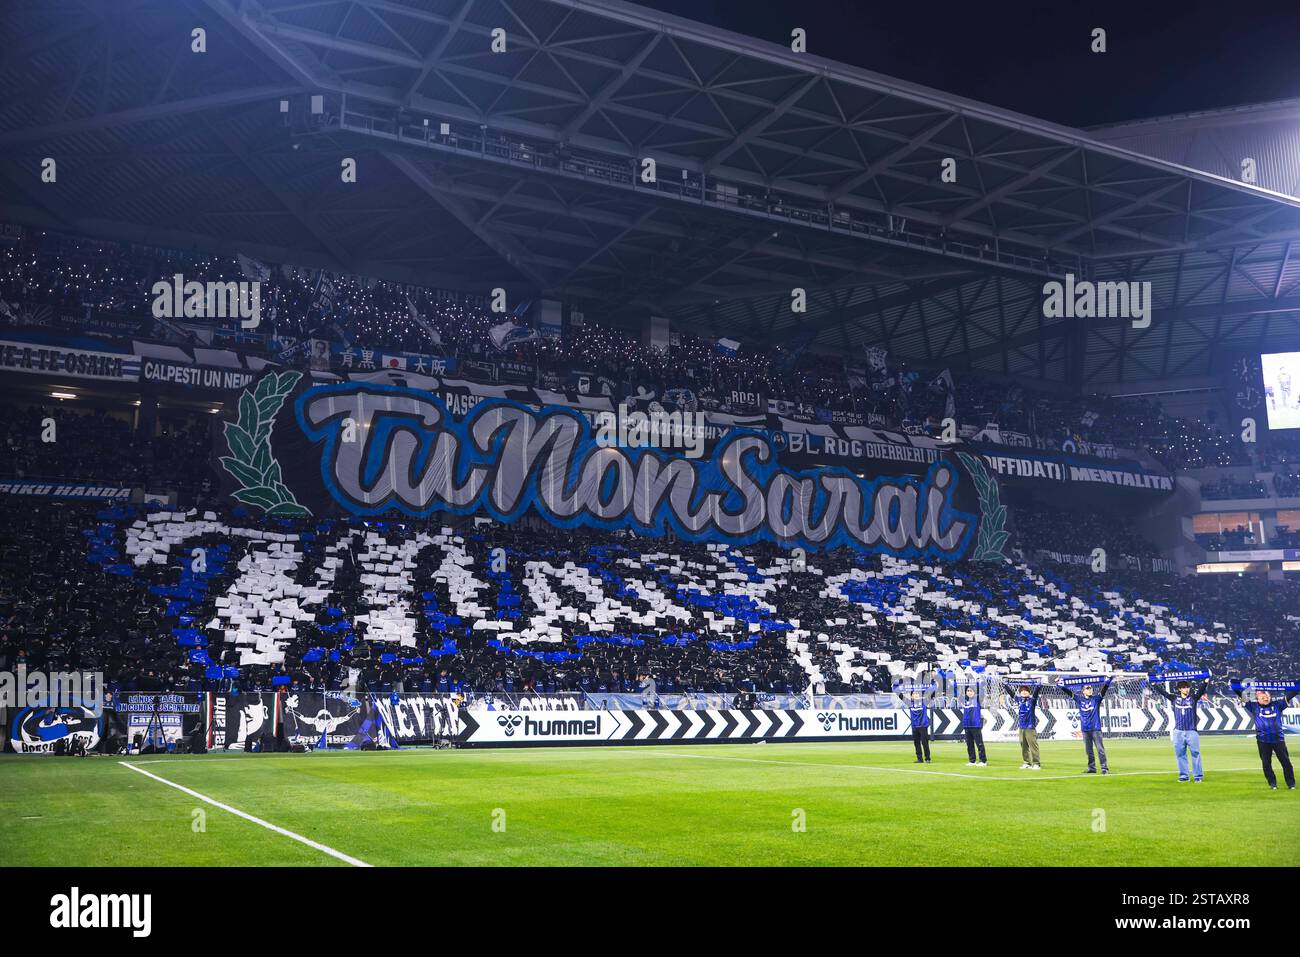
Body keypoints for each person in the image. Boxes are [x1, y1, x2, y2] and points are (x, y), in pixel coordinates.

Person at [1235, 685, 1298, 790]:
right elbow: (1240, 694)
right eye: (1262, 697)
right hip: (1263, 741)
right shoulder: (1253, 706)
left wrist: (1297, 686)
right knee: (1266, 764)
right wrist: (1234, 685)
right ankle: (1272, 784)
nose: (1265, 698)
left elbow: (1291, 694)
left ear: (1270, 697)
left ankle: (1291, 784)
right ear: (1258, 699)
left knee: (1286, 762)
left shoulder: (1278, 705)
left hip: (1278, 740)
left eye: (1267, 696)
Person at [1150, 675, 1210, 782]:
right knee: (1180, 755)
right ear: (1180, 689)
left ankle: (1198, 777)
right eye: (1184, 687)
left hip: (1191, 731)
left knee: (1195, 754)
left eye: (1188, 687)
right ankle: (1184, 776)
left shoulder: (1193, 698)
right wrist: (1154, 685)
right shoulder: (1174, 698)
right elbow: (1164, 693)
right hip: (1178, 731)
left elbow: (1201, 691)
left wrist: (1205, 682)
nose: (1186, 689)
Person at [1059, 677, 1112, 774]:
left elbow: (1103, 691)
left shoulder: (1096, 699)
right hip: (1085, 729)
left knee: (1100, 749)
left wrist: (1108, 682)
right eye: (1087, 688)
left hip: (1096, 729)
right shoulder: (1079, 700)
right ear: (1083, 691)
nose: (1090, 690)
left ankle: (1104, 768)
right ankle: (1092, 768)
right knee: (1089, 750)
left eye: (1091, 688)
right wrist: (1062, 687)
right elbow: (1070, 693)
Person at [1004, 682, 1041, 769]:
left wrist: (1038, 686)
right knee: (1023, 745)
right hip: (1021, 727)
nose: (1024, 692)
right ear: (1020, 693)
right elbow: (1011, 693)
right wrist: (1005, 686)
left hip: (1030, 727)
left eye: (1026, 691)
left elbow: (1036, 693)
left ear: (1029, 692)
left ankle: (1036, 763)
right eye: (1022, 691)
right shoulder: (1018, 700)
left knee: (1033, 745)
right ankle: (1027, 762)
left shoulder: (1032, 700)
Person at [897, 689, 931, 763]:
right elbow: (900, 696)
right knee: (916, 743)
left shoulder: (924, 702)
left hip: (923, 726)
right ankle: (919, 759)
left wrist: (935, 684)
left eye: (917, 694)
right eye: (914, 694)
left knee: (925, 743)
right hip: (915, 726)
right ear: (911, 696)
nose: (916, 695)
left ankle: (927, 758)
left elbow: (932, 695)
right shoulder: (910, 703)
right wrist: (896, 687)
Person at [959, 684, 987, 766]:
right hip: (967, 725)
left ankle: (983, 761)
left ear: (975, 692)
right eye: (968, 691)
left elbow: (981, 690)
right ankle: (972, 760)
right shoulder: (964, 701)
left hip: (975, 725)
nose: (969, 692)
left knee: (979, 743)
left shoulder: (977, 699)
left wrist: (976, 682)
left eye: (971, 691)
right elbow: (957, 692)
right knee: (969, 744)